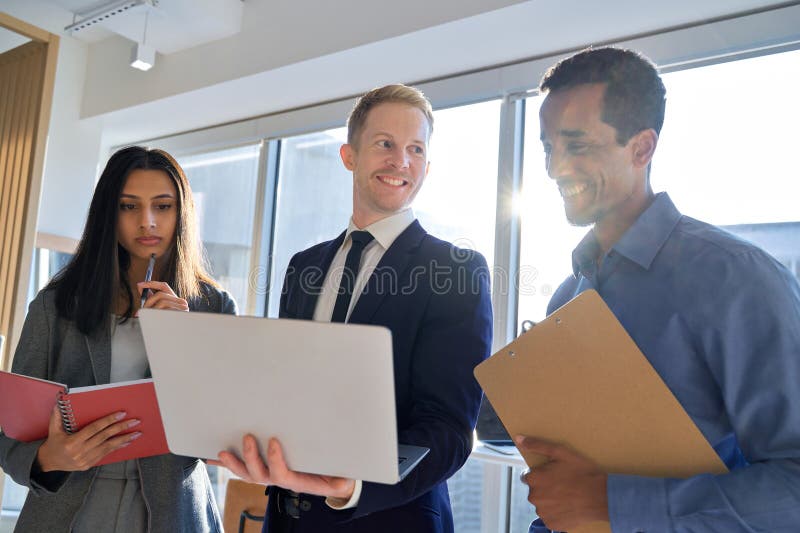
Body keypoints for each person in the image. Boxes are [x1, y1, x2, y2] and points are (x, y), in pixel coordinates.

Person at [517, 46, 800, 532]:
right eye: (548, 147)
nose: (554, 168)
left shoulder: (735, 278)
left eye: (577, 144)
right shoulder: (567, 295)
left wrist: (616, 508)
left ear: (642, 148)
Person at [214, 84, 493, 532]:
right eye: (385, 144)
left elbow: (450, 429)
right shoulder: (304, 266)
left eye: (415, 149)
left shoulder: (456, 269)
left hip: (391, 520)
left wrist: (354, 487)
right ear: (350, 156)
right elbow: (289, 389)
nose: (400, 161)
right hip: (288, 518)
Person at [0, 146, 237, 532]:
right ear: (108, 213)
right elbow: (6, 434)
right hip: (68, 512)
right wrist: (48, 458)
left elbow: (227, 430)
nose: (147, 221)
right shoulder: (56, 305)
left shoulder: (215, 306)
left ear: (182, 213)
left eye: (162, 206)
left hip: (171, 514)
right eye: (129, 206)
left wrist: (186, 345)